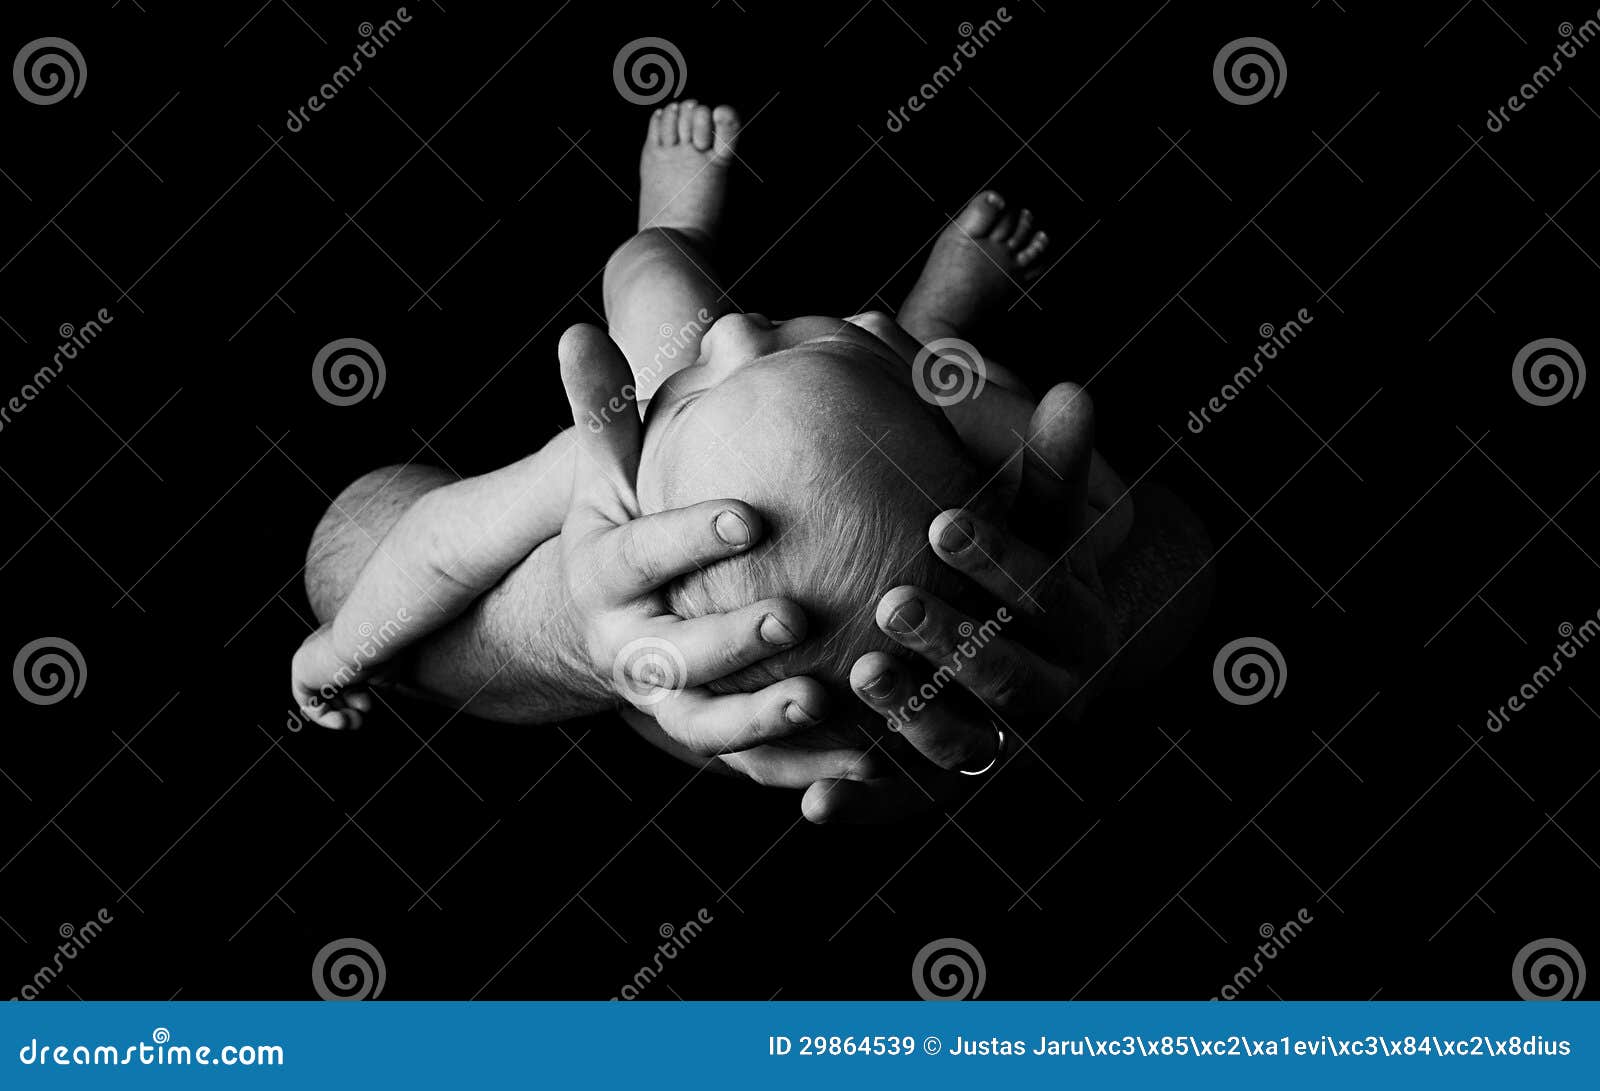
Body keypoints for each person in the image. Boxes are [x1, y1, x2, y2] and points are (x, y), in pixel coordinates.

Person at [299, 101, 1214, 821]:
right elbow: (1112, 512)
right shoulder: (976, 516)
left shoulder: (610, 468)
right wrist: (956, 404)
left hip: (691, 718)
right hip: (855, 717)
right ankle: (932, 338)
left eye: (703, 384)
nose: (738, 326)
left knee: (651, 270)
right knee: (973, 401)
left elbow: (435, 547)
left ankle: (675, 225)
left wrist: (342, 649)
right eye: (804, 342)